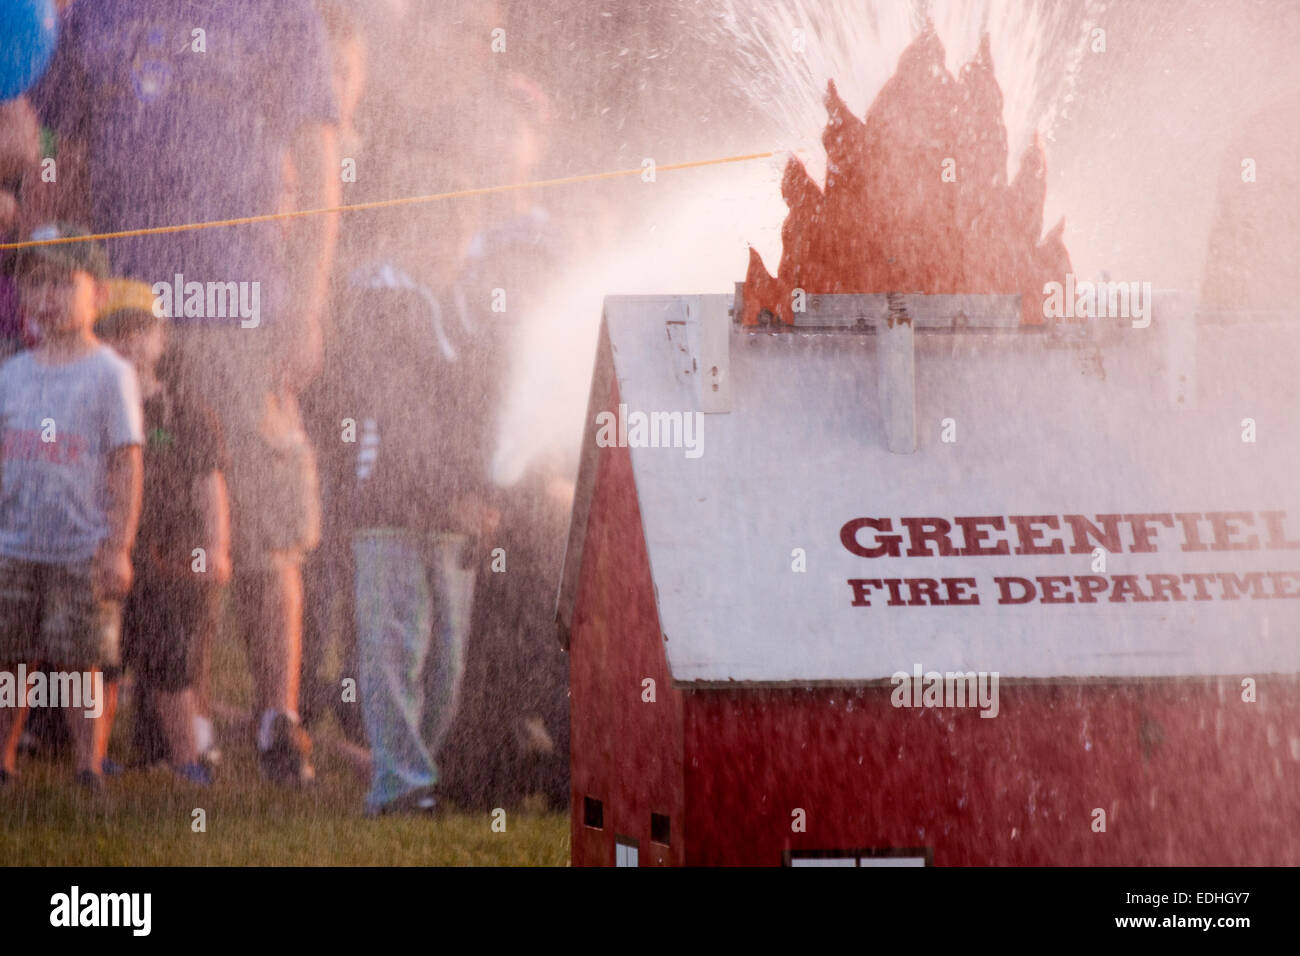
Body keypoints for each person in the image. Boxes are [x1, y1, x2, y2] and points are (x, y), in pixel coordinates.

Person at [32, 0, 341, 786]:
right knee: (141, 517)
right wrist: (53, 274)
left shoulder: (279, 13)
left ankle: (278, 720)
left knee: (261, 517)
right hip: (127, 304)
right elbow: (62, 154)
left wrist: (306, 300)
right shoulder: (94, 12)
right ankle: (177, 724)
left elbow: (317, 155)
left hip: (242, 299)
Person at [334, 266, 497, 816]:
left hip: (451, 522)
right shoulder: (393, 292)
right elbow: (402, 417)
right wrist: (453, 494)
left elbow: (477, 414)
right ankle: (400, 785)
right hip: (390, 512)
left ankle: (412, 772)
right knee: (394, 653)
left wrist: (484, 493)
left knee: (444, 665)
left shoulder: (472, 299)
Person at [0, 223, 143, 790]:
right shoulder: (11, 374)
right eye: (35, 285)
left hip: (81, 549)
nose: (46, 298)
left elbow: (126, 462)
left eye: (63, 283)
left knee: (83, 660)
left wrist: (118, 546)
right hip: (15, 544)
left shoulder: (109, 373)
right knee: (10, 658)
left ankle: (89, 765)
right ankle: (4, 761)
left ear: (99, 294)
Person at [94, 279, 230, 784]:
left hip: (169, 558)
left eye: (139, 330)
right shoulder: (97, 406)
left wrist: (216, 546)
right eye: (116, 332)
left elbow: (208, 482)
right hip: (107, 550)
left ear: (162, 339)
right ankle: (95, 756)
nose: (128, 343)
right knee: (104, 659)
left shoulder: (187, 412)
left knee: (171, 664)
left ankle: (186, 759)